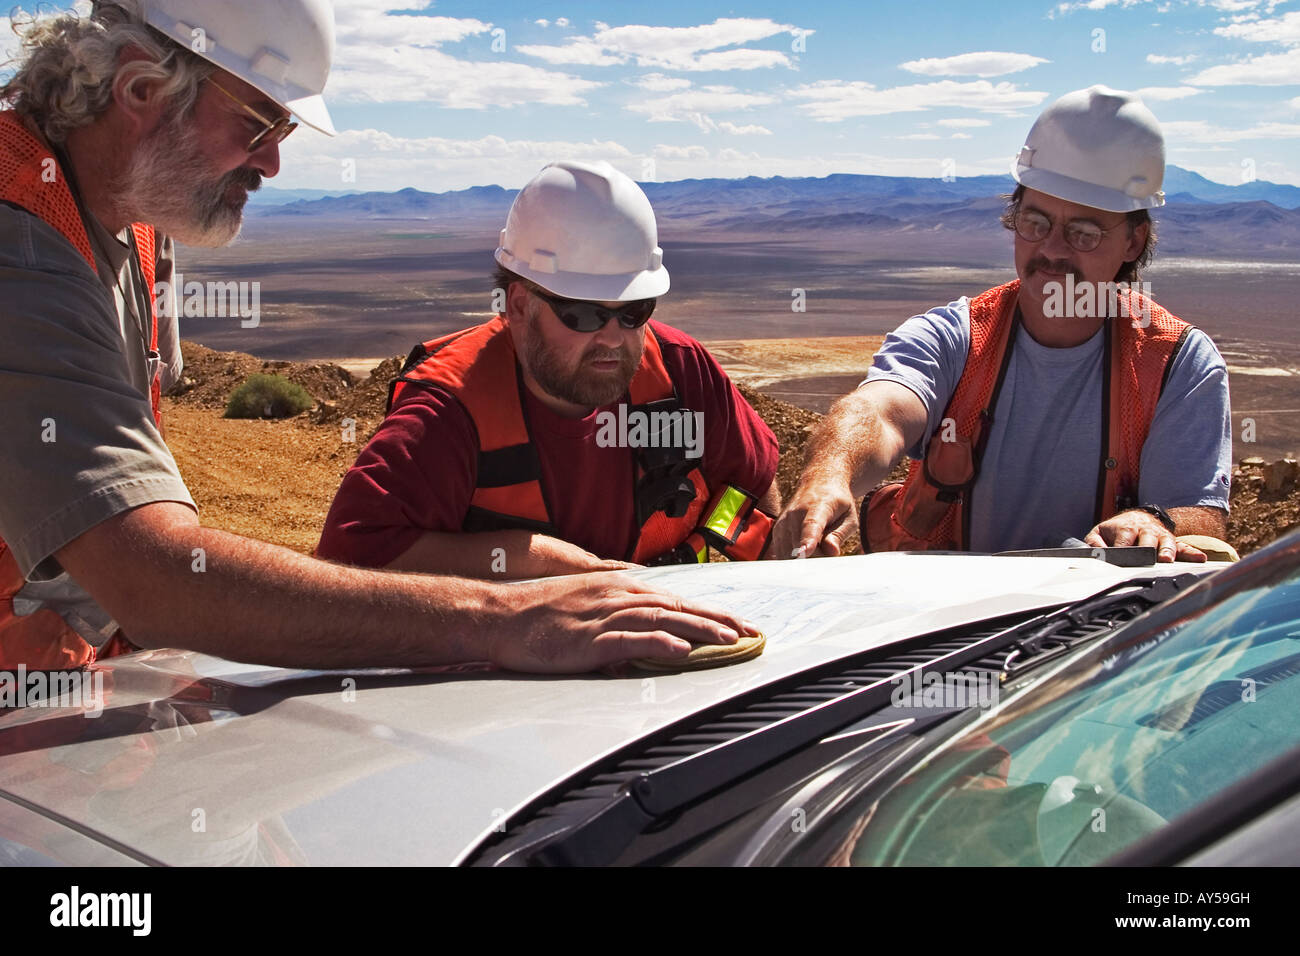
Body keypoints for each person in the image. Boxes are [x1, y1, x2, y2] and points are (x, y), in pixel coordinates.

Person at [0, 0, 758, 674]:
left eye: (284, 129)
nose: (271, 160)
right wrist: (505, 618)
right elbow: (152, 577)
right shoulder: (21, 254)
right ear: (139, 90)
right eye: (259, 123)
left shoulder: (125, 221)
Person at [773, 86, 1232, 563]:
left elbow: (1199, 513)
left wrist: (1155, 521)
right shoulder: (956, 336)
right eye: (1035, 222)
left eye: (1083, 232)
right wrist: (828, 474)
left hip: (1100, 628)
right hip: (949, 624)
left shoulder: (1178, 363)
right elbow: (878, 412)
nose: (1053, 250)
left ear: (1134, 242)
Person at [316, 160, 781, 578]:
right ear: (518, 305)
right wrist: (525, 562)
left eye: (634, 311)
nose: (614, 337)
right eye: (583, 314)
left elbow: (755, 485)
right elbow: (344, 566)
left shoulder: (678, 370)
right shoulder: (448, 412)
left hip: (678, 652)